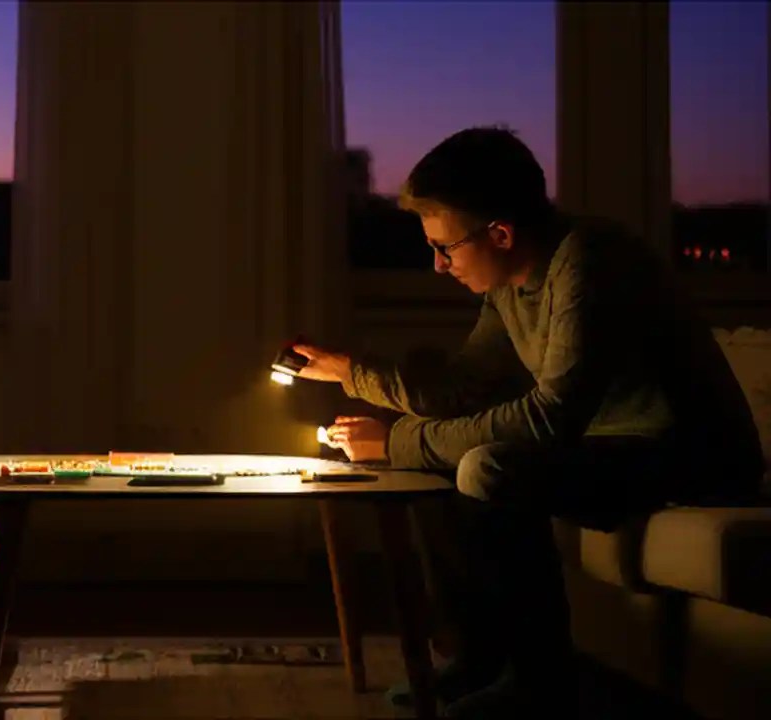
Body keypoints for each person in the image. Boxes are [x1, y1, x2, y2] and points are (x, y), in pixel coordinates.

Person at [293, 127, 763, 719]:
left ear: (500, 234)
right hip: (614, 450)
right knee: (443, 456)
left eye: (446, 248)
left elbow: (549, 419)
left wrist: (397, 440)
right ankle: (482, 657)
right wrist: (351, 372)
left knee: (486, 463)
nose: (438, 267)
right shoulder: (512, 285)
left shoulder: (588, 263)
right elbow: (462, 390)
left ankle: (541, 677)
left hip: (690, 459)